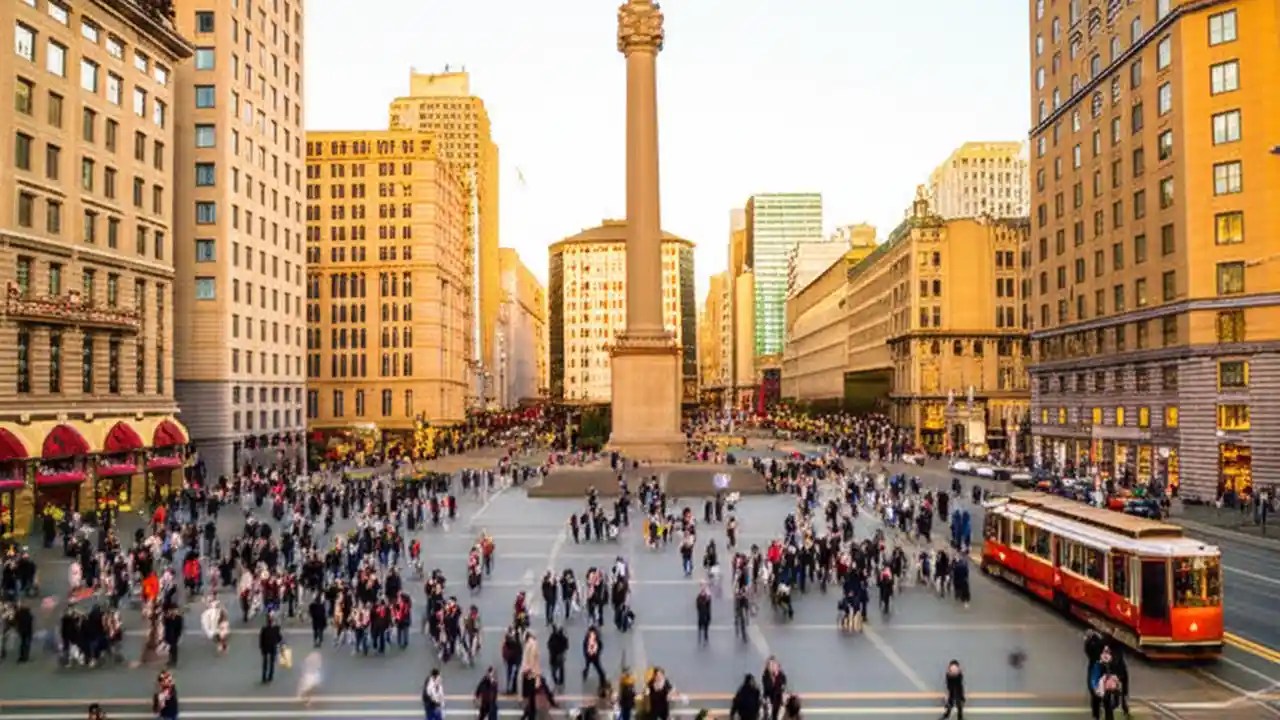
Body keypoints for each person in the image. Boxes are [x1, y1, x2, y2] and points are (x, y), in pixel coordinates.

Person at [259, 614, 283, 683]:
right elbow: (279, 638)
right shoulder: (276, 629)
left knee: (265, 663)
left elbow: (261, 639)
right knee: (271, 662)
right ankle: (270, 676)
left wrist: (261, 647)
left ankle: (264, 677)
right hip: (272, 647)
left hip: (266, 647)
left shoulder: (264, 629)